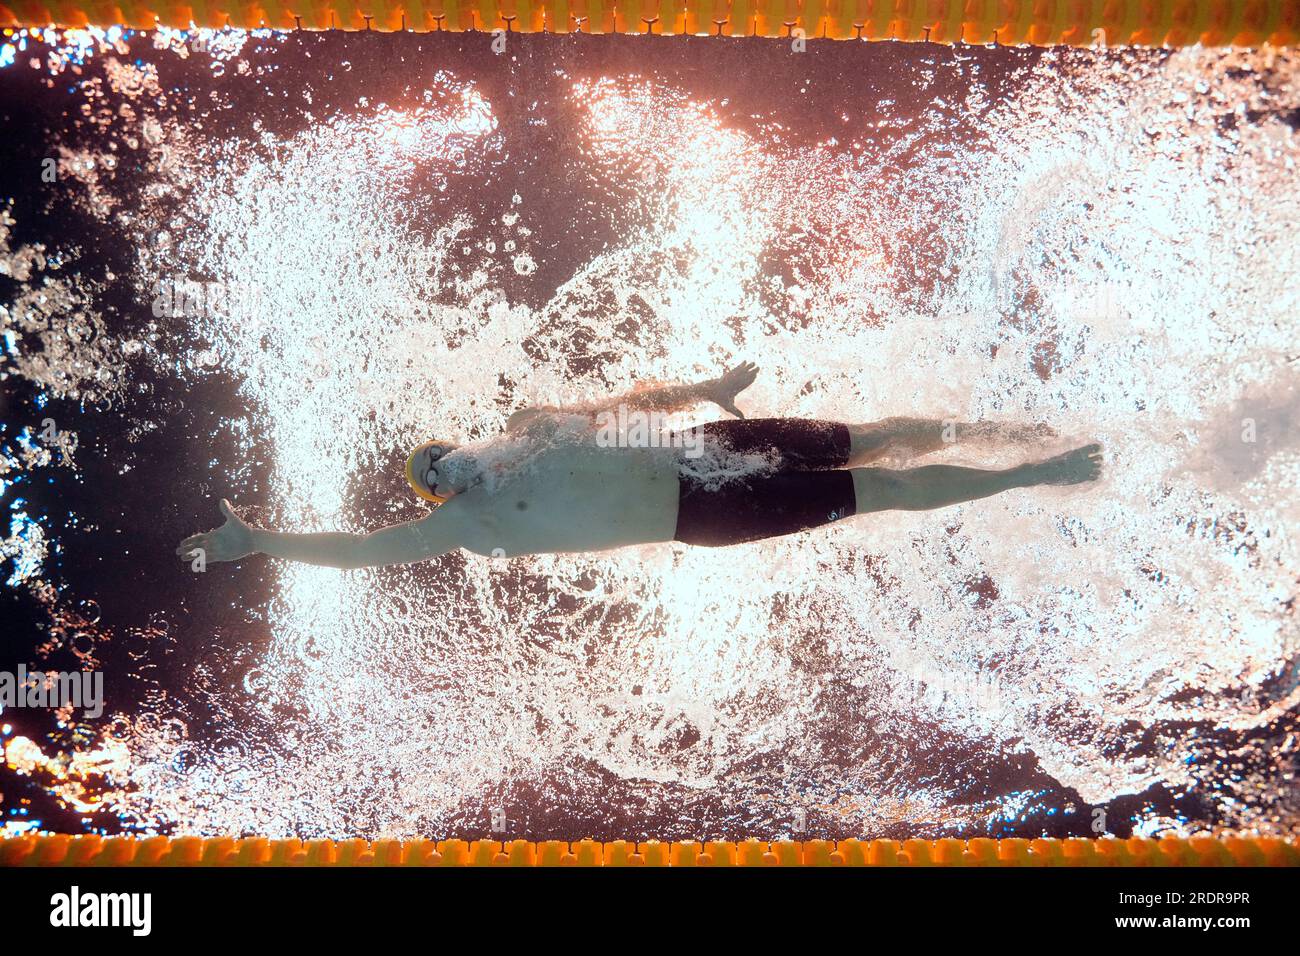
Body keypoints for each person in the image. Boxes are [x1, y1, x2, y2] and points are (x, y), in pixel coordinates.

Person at [177, 362, 1101, 568]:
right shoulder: (475, 527)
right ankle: (1038, 472)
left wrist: (705, 384)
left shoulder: (532, 426)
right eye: (429, 474)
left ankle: (1008, 431)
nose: (442, 466)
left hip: (703, 447)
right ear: (437, 494)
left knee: (869, 436)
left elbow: (624, 408)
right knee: (885, 491)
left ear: (454, 440)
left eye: (437, 448)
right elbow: (362, 550)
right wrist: (258, 540)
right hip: (700, 517)